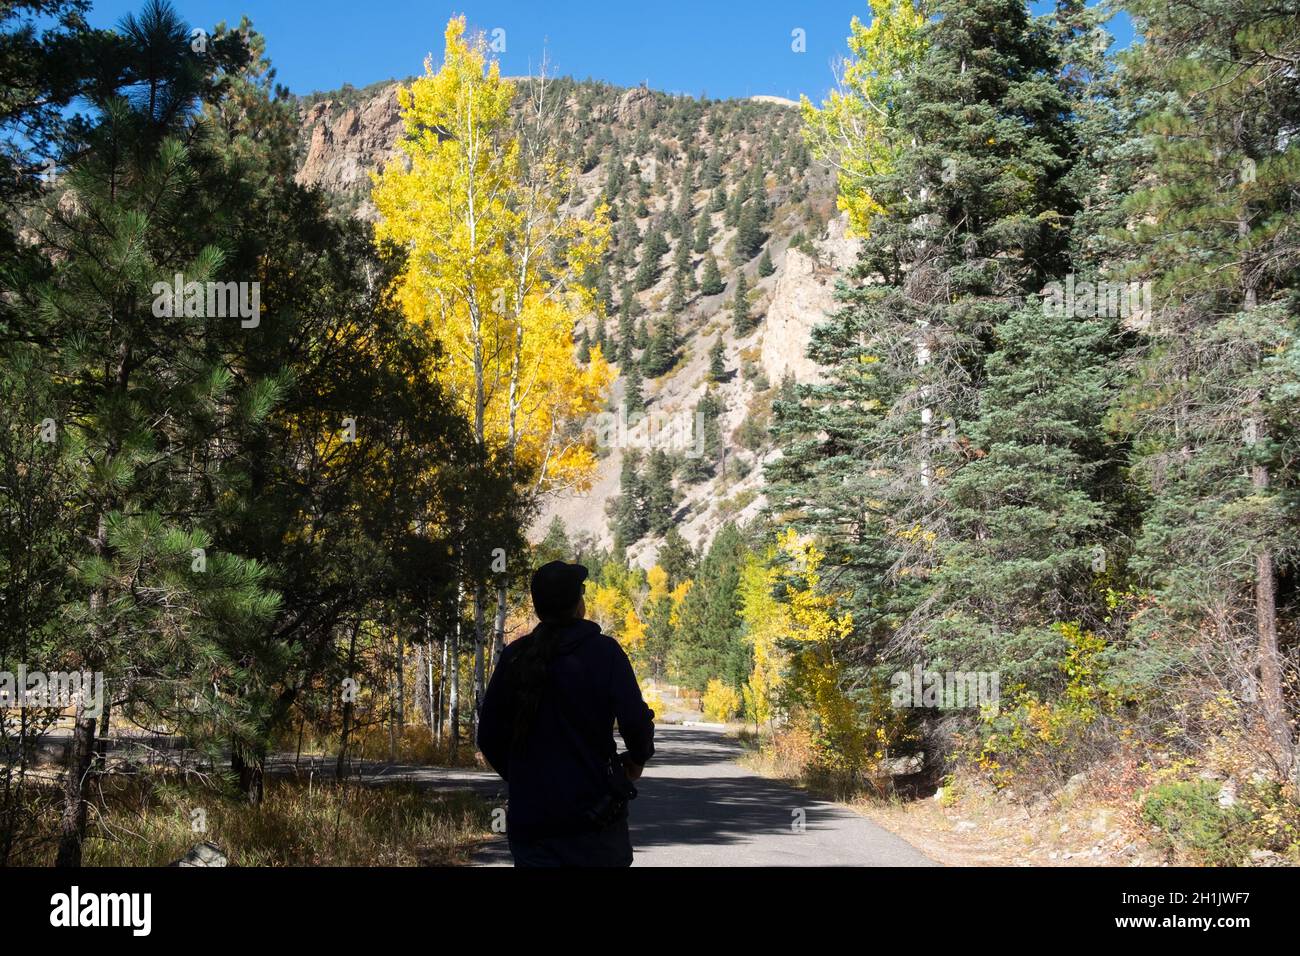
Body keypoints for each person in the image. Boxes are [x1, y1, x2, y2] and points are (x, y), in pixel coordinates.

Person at [477, 560, 656, 867]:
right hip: (595, 824)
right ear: (578, 603)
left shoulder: (515, 656)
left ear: (538, 608)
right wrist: (637, 759)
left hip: (533, 825)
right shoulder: (605, 653)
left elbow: (489, 735)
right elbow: (635, 721)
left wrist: (523, 777)